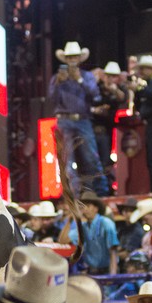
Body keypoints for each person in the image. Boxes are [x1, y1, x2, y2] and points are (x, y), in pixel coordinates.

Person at [48, 41, 111, 196]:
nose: (72, 60)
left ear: (79, 58)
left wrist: (80, 80)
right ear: (66, 59)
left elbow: (96, 96)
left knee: (92, 158)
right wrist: (58, 83)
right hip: (64, 120)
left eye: (75, 57)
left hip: (83, 120)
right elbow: (51, 99)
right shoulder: (58, 78)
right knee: (67, 162)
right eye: (69, 57)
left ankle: (102, 193)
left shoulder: (87, 76)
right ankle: (73, 197)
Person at [59, 190, 119, 274]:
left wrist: (113, 276)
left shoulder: (106, 224)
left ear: (96, 208)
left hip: (107, 271)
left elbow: (113, 252)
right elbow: (63, 241)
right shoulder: (83, 227)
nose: (85, 209)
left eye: (88, 205)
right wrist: (70, 219)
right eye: (83, 206)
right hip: (91, 271)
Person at [93, 61, 126, 187]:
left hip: (107, 131)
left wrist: (114, 90)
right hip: (92, 129)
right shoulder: (97, 87)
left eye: (114, 76)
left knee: (106, 161)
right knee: (92, 161)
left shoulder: (118, 90)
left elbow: (123, 97)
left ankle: (105, 187)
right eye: (108, 76)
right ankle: (96, 187)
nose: (110, 79)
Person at [132, 55, 152, 189]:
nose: (142, 71)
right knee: (151, 156)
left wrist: (139, 89)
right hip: (150, 122)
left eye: (144, 69)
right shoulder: (145, 85)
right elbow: (138, 104)